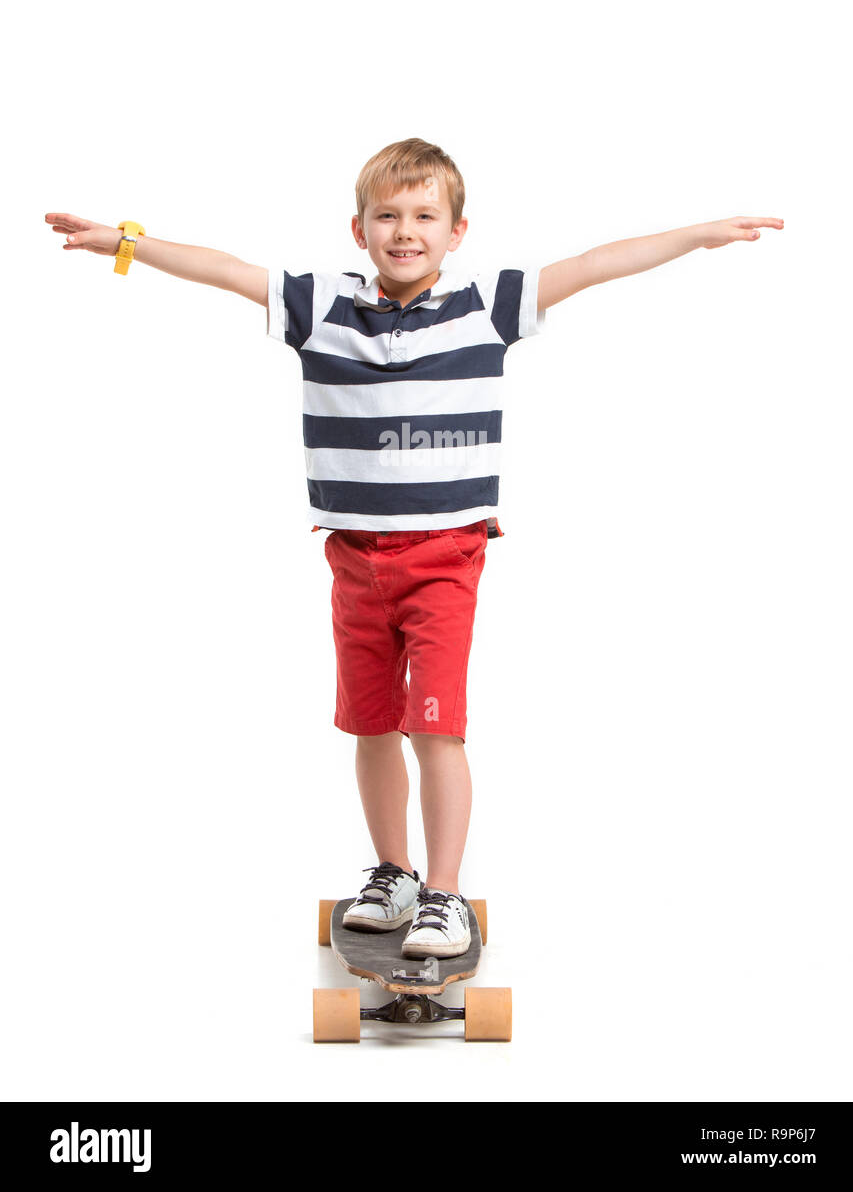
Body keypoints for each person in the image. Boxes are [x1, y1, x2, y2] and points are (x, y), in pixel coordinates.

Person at [44, 138, 783, 959]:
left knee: (437, 728)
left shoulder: (489, 303)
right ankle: (392, 872)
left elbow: (597, 262)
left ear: (457, 229)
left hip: (445, 558)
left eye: (425, 216)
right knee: (369, 726)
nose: (405, 231)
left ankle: (444, 891)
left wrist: (697, 233)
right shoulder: (320, 305)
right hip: (355, 559)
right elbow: (224, 269)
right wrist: (126, 244)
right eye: (387, 216)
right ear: (357, 230)